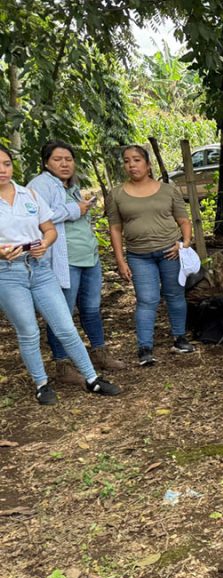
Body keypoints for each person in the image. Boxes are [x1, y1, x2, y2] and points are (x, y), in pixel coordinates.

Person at [0, 144, 121, 404]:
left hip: (40, 268)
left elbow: (49, 228)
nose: (2, 170)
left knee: (65, 325)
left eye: (7, 164)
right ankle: (42, 384)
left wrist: (45, 242)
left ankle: (91, 379)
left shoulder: (28, 194)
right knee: (28, 331)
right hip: (8, 273)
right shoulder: (37, 185)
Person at [29, 141, 125, 385]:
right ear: (46, 163)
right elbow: (38, 216)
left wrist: (80, 208)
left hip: (88, 257)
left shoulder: (70, 185)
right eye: (58, 159)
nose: (64, 163)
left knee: (91, 308)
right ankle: (62, 364)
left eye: (68, 159)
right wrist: (75, 209)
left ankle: (99, 353)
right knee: (62, 313)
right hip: (65, 260)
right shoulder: (39, 185)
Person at [106, 144, 196, 366]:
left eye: (136, 160)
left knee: (175, 295)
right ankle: (145, 347)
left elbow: (184, 220)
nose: (131, 165)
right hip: (139, 255)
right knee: (147, 300)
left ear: (147, 164)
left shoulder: (168, 190)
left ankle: (179, 337)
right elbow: (115, 228)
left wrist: (184, 244)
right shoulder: (116, 194)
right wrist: (120, 260)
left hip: (170, 252)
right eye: (127, 161)